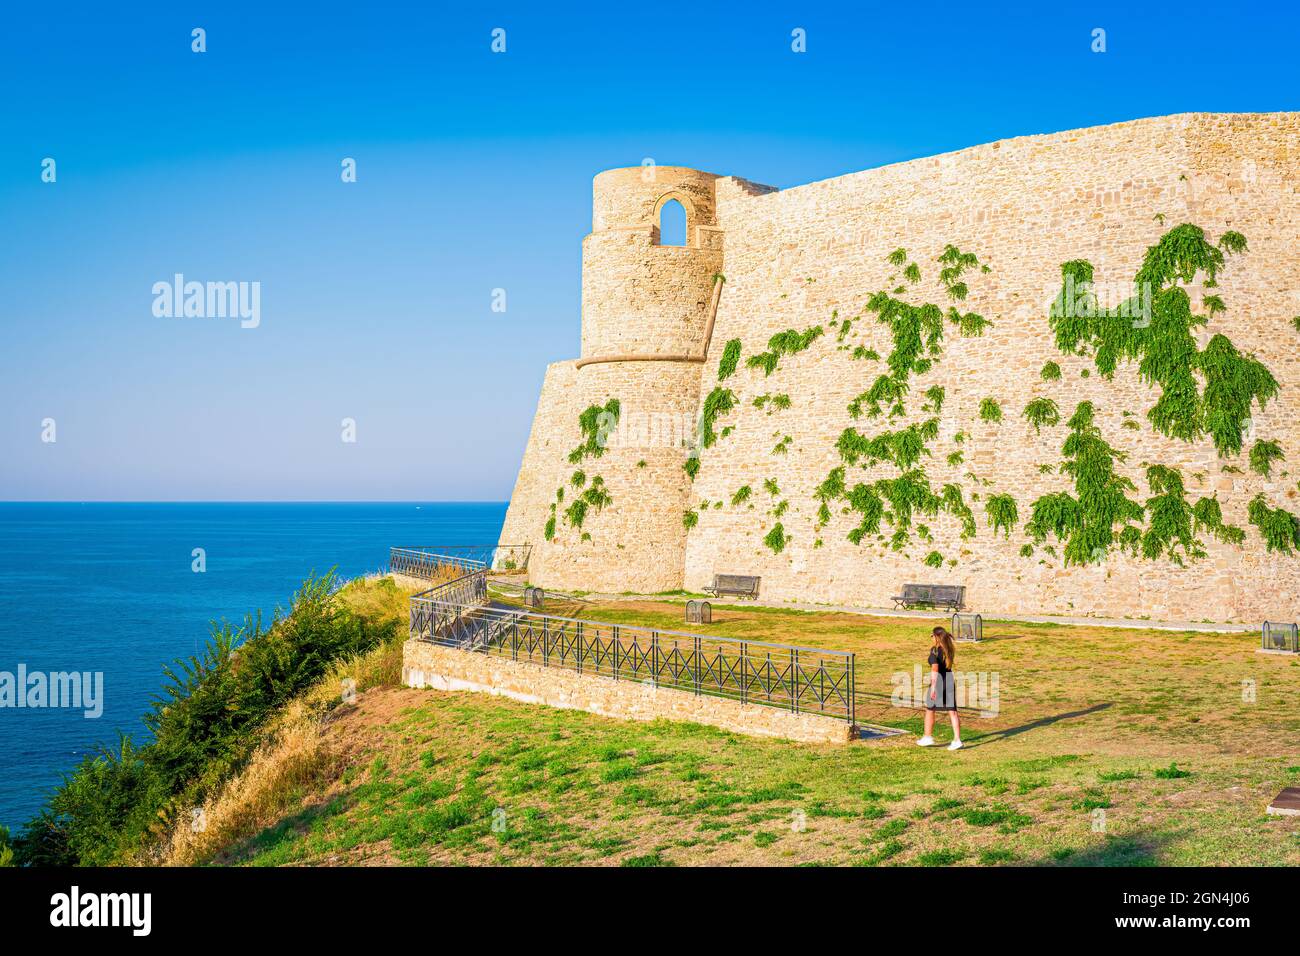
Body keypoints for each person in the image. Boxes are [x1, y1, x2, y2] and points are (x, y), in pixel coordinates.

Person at [917, 626, 962, 750]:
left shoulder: (935, 651)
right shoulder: (949, 649)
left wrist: (933, 688)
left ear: (937, 637)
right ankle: (957, 740)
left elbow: (935, 669)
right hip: (949, 680)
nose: (931, 638)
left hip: (938, 682)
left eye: (932, 636)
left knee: (930, 709)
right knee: (952, 711)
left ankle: (927, 737)